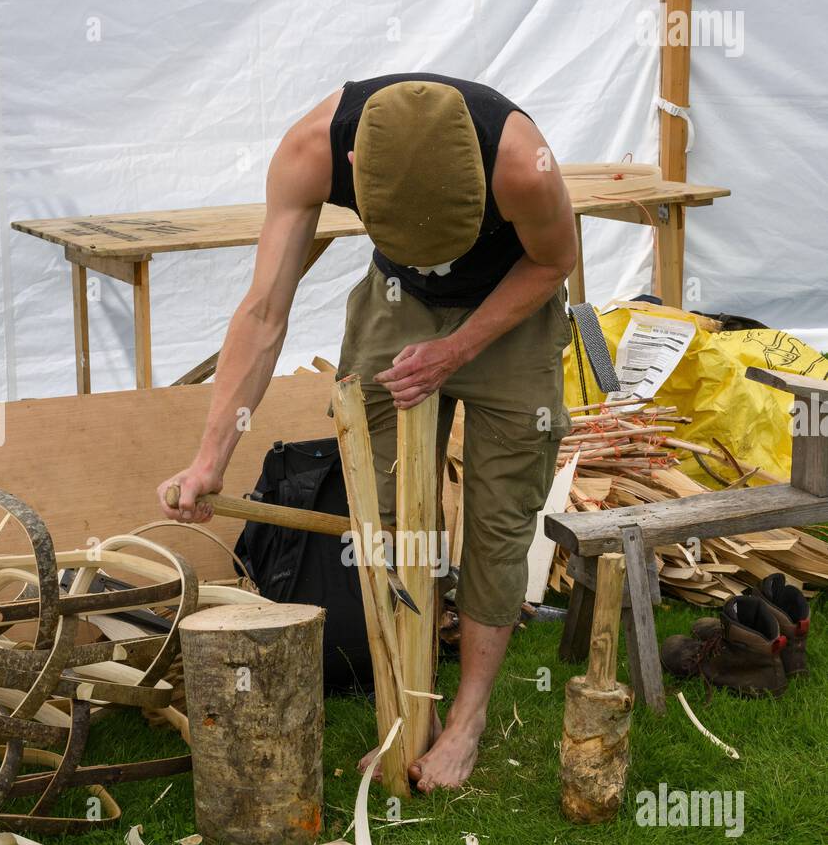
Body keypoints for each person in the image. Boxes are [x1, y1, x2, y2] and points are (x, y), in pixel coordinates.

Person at [158, 73, 577, 790]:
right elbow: (262, 314)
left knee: (500, 517)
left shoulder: (520, 162)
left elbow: (553, 259)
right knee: (379, 521)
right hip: (398, 299)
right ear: (354, 170)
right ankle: (405, 712)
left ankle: (468, 718)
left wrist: (458, 349)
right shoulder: (310, 150)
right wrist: (208, 460)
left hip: (511, 299)